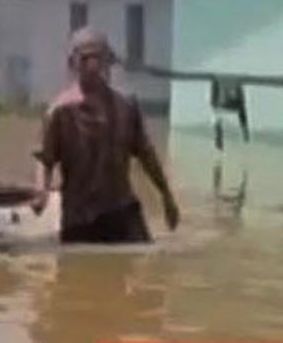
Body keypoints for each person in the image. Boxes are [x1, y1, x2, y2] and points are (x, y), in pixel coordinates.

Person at [31, 27, 180, 243]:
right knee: (78, 273)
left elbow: (147, 155)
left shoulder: (126, 106)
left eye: (97, 58)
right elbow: (44, 159)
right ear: (72, 63)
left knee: (135, 265)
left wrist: (166, 195)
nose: (91, 66)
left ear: (108, 62)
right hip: (80, 217)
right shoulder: (59, 112)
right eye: (84, 59)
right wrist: (41, 192)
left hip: (122, 210)